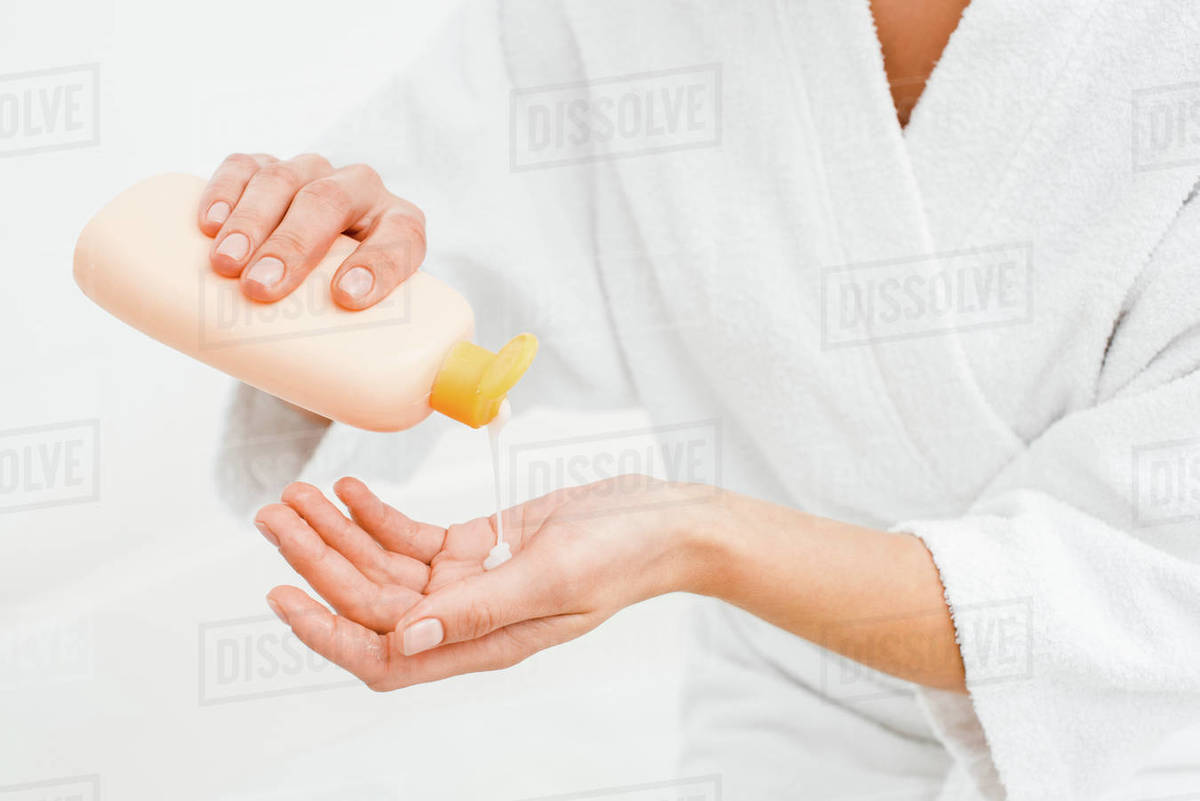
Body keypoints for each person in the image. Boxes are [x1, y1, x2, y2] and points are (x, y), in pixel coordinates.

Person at [202, 2, 1200, 799]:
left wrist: (699, 538)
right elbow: (459, 262)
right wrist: (326, 280)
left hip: (1151, 748)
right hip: (783, 734)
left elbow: (1149, 585)